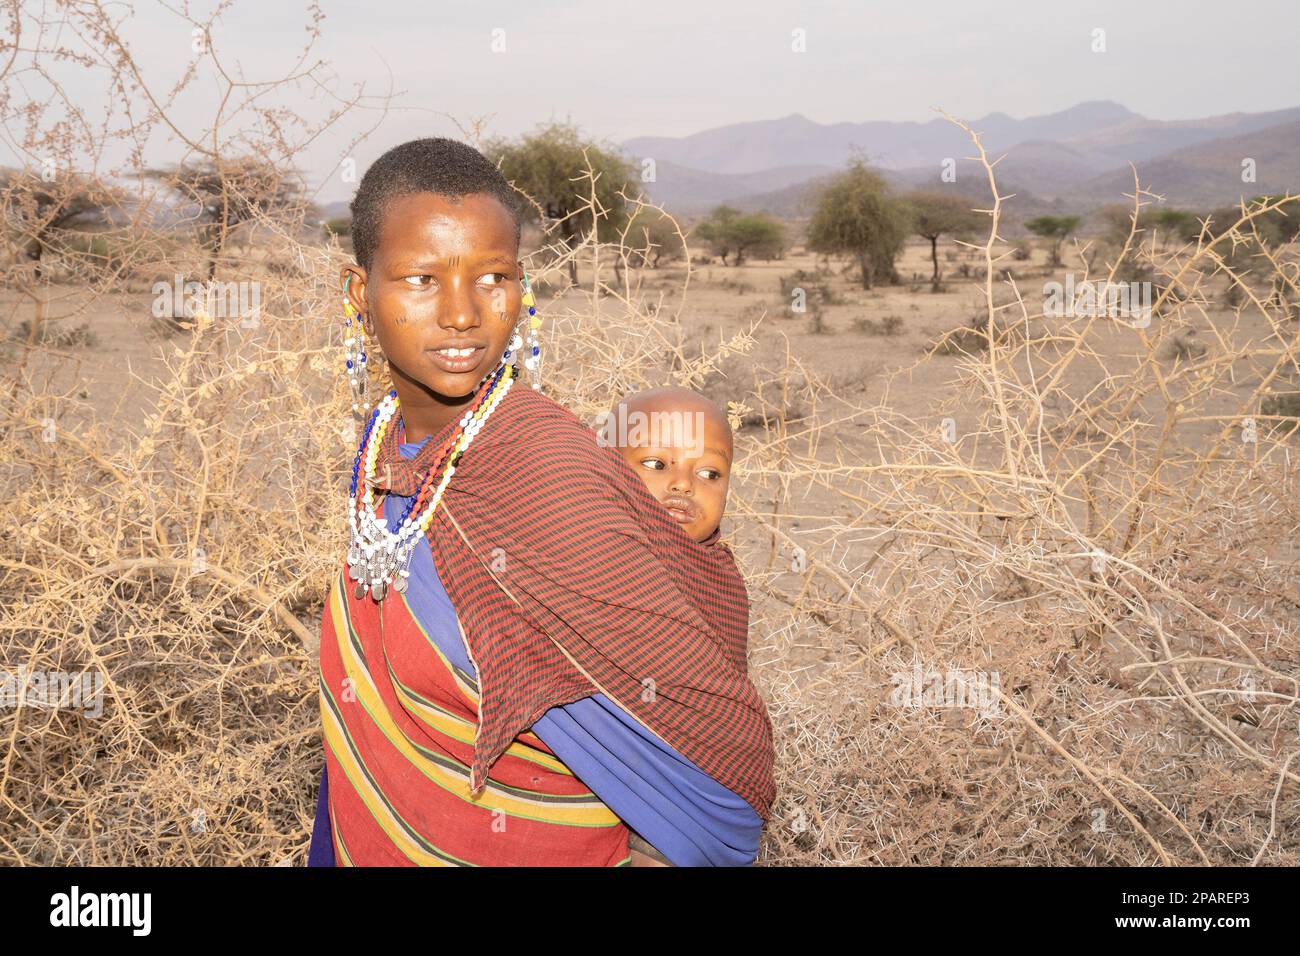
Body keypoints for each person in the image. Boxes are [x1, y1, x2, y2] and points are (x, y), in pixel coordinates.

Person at [307, 137, 775, 866]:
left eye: (492, 277)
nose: (462, 313)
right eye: (421, 279)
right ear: (358, 293)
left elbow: (716, 755)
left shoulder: (545, 470)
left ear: (524, 288)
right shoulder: (381, 444)